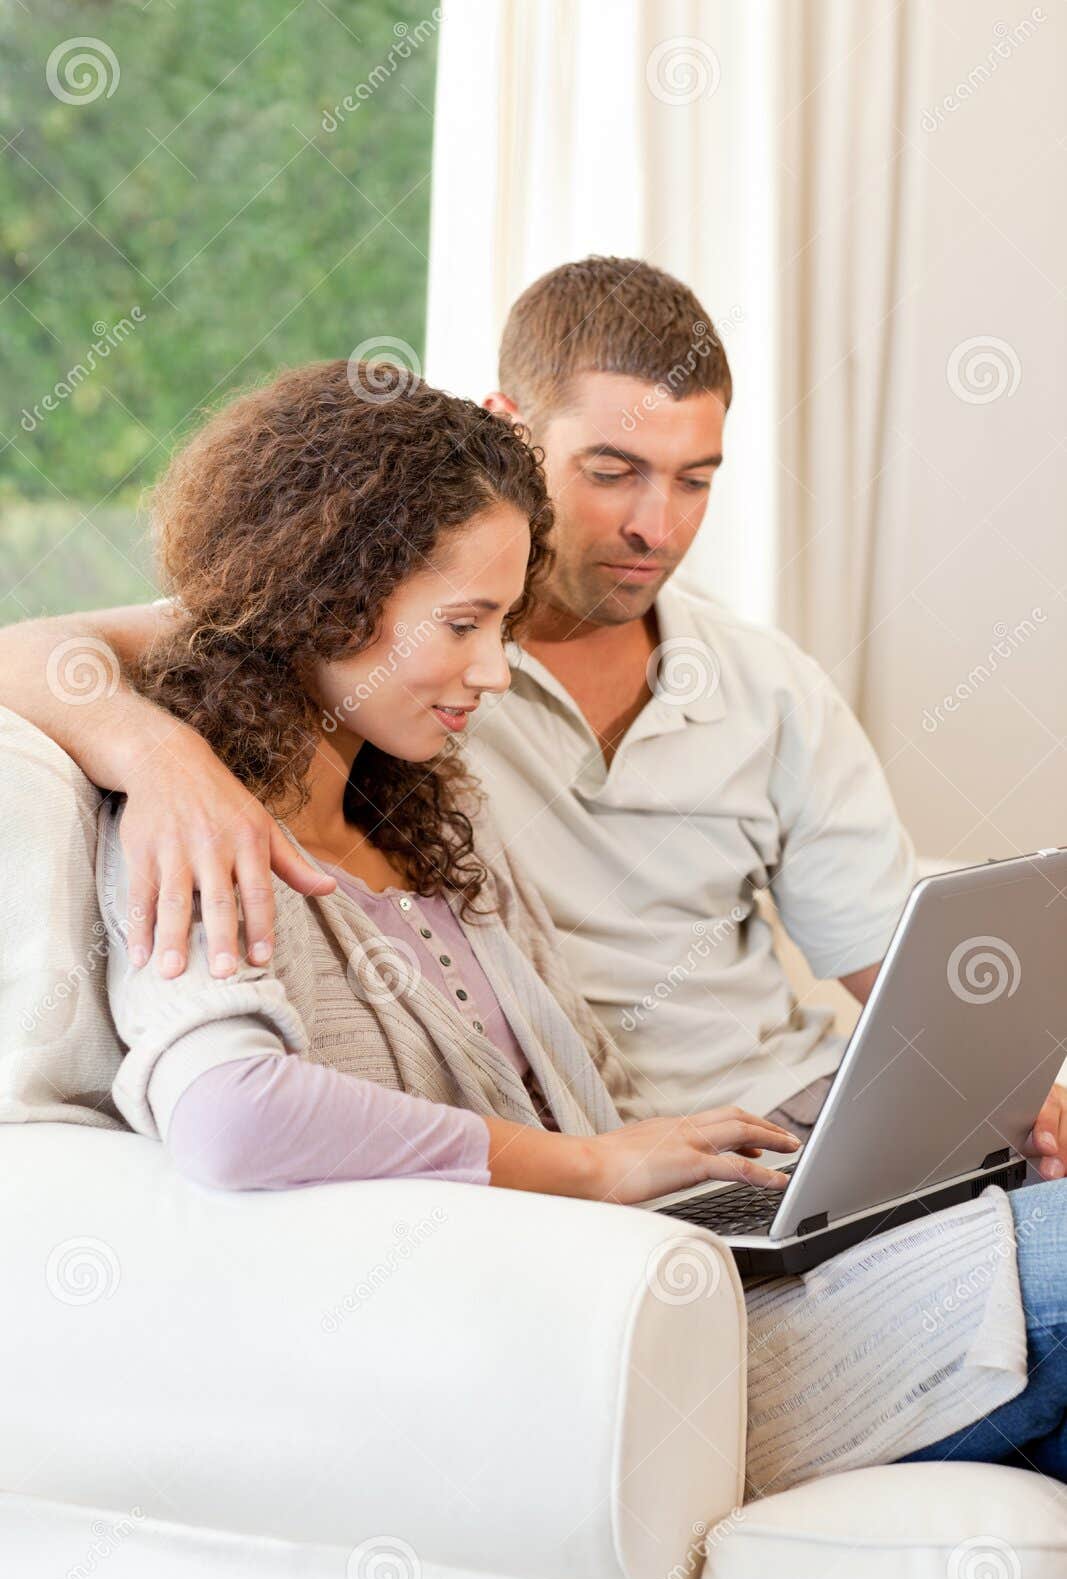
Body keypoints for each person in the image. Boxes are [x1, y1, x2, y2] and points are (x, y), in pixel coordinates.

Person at [78, 359, 1066, 1493]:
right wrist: (589, 1167)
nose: (495, 671)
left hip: (653, 1277)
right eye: (464, 624)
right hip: (557, 1356)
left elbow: (585, 1095)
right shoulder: (194, 838)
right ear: (322, 598)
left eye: (501, 623)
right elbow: (227, 1114)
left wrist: (775, 1131)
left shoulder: (426, 819)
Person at [2, 257, 1063, 1177]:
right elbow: (61, 652)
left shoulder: (753, 687)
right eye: (612, 473)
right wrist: (164, 760)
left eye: (694, 481)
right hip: (635, 1166)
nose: (655, 526)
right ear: (511, 430)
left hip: (776, 1123)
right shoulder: (371, 652)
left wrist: (1013, 1089)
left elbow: (905, 970)